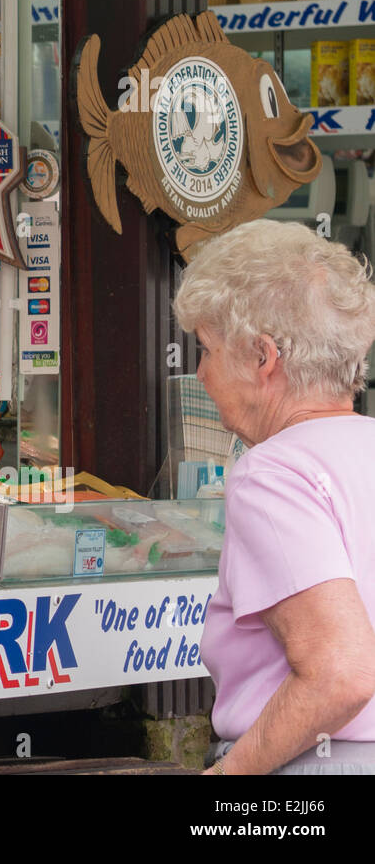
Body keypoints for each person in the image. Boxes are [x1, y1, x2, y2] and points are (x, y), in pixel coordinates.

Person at [172, 219, 375, 774]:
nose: (202, 374)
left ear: (264, 358)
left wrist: (228, 779)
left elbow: (342, 673)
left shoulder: (275, 472)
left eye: (208, 349)